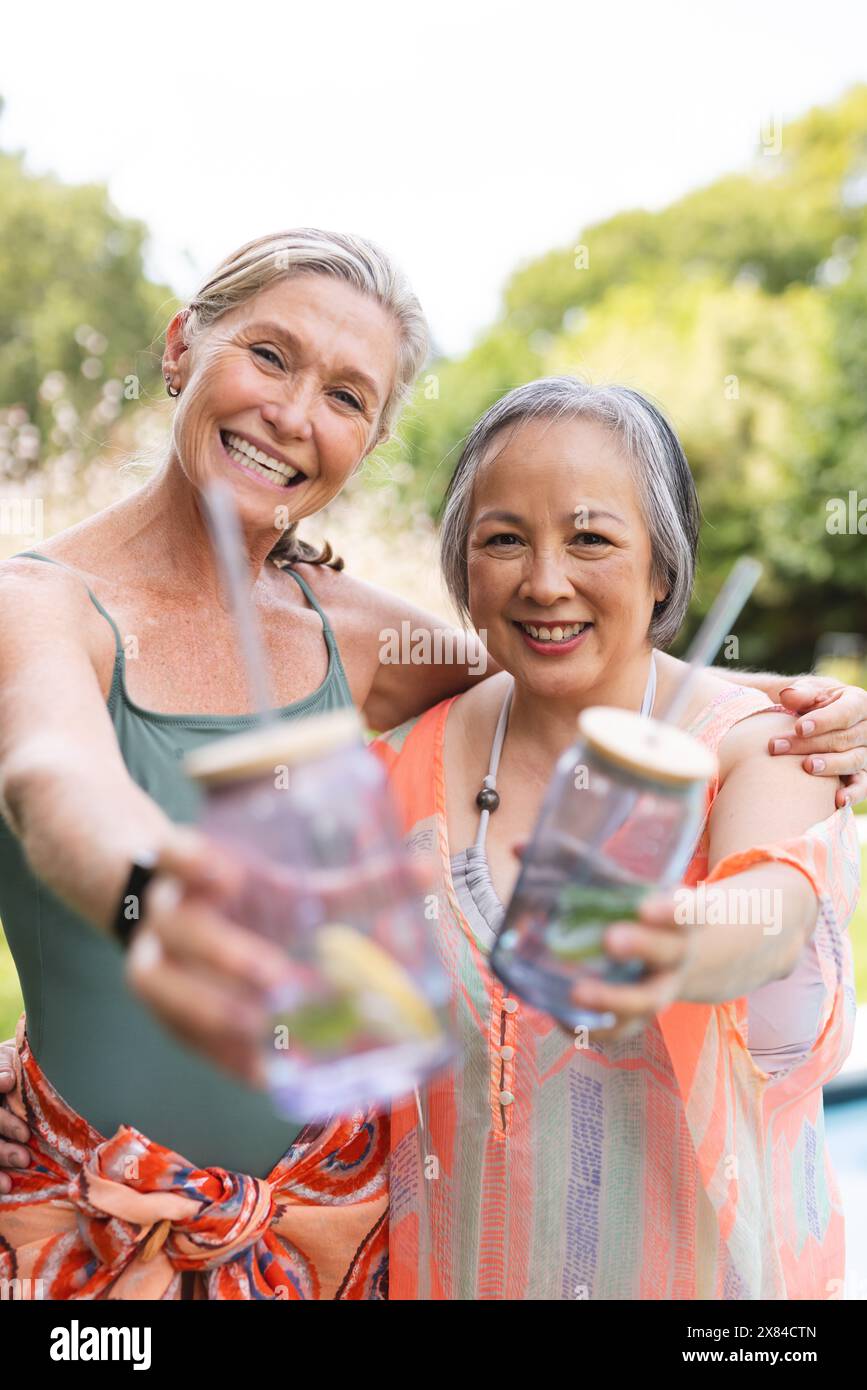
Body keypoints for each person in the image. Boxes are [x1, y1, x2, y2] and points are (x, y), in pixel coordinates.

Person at [0, 229, 864, 1296]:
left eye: (348, 396)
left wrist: (808, 711)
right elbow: (53, 782)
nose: (293, 413)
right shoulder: (35, 601)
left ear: (366, 441)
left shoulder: (362, 640)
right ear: (181, 347)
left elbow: (571, 657)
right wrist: (157, 900)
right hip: (93, 1233)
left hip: (342, 1240)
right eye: (269, 356)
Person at [373, 379, 861, 1298]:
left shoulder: (761, 745)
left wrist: (657, 940)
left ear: (662, 571)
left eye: (590, 537)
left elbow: (767, 918)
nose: (544, 581)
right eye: (503, 539)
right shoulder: (401, 765)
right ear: (462, 568)